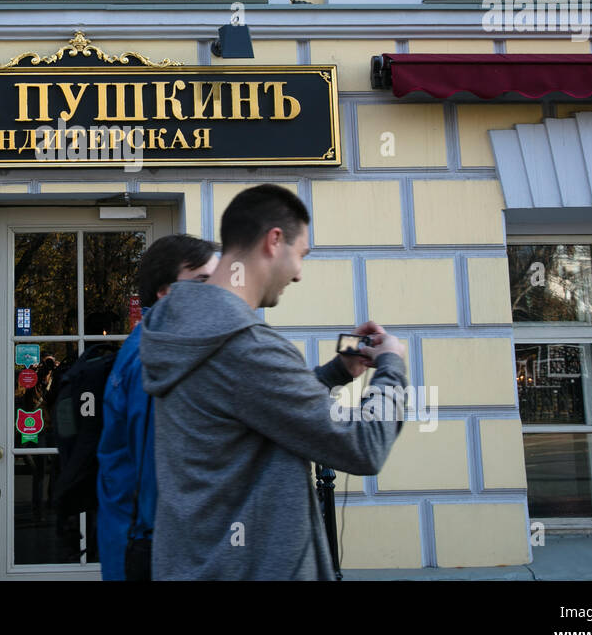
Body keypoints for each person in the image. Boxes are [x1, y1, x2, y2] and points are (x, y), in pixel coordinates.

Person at [139, 184, 408, 580]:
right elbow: (363, 447)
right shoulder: (247, 347)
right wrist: (391, 366)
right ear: (274, 240)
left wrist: (336, 372)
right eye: (301, 256)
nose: (298, 274)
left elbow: (254, 411)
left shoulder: (186, 329)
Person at [97, 233, 219, 581]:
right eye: (202, 282)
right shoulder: (155, 358)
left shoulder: (156, 344)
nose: (215, 293)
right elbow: (155, 469)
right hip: (150, 550)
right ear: (164, 292)